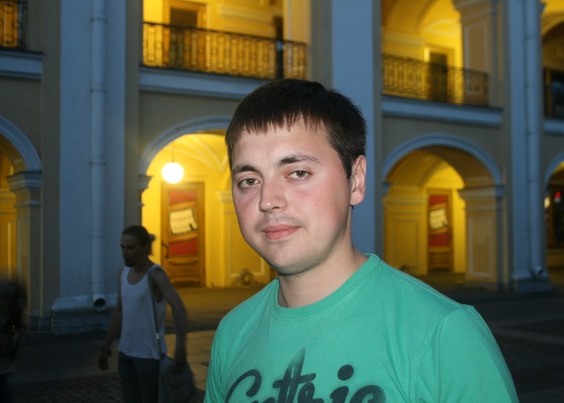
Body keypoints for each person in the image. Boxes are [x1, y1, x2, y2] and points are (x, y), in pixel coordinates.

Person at [204, 79, 519, 402]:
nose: (268, 200)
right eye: (249, 180)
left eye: (298, 173)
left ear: (355, 180)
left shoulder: (442, 333)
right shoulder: (233, 332)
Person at [98, 224, 189, 403]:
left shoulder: (155, 275)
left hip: (149, 357)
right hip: (125, 354)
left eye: (130, 248)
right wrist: (106, 346)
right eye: (122, 247)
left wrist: (180, 346)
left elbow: (179, 308)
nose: (125, 253)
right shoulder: (123, 273)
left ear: (145, 247)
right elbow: (119, 311)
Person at [0, 278, 26, 403]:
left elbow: (13, 327)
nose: (5, 302)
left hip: (0, 363)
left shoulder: (13, 310)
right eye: (3, 298)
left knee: (2, 391)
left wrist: (10, 338)